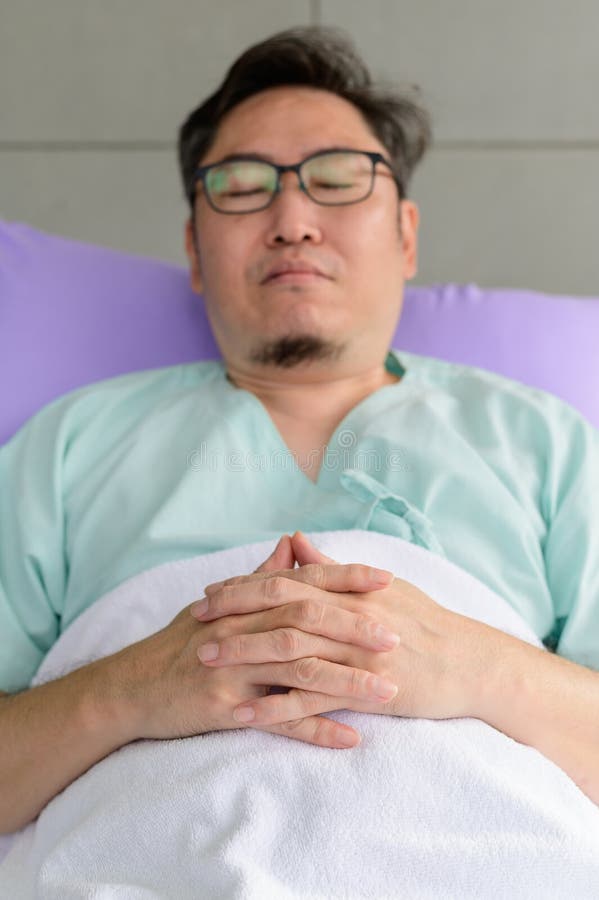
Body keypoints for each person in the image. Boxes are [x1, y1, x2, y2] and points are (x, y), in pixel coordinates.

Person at [1, 26, 598, 836]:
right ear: (194, 249)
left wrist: (483, 667)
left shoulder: (544, 444)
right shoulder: (68, 445)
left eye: (338, 180)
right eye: (242, 186)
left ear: (406, 234)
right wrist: (131, 688)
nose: (291, 218)